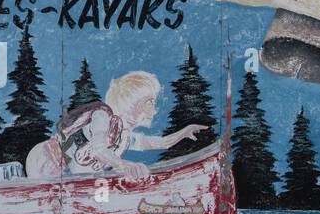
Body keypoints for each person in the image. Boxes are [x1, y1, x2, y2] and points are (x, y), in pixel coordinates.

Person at [25, 70, 209, 180]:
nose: (153, 108)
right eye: (149, 101)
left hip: (64, 177)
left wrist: (184, 132)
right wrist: (123, 164)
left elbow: (156, 143)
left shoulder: (124, 135)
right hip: (45, 162)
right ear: (132, 101)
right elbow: (98, 148)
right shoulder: (102, 116)